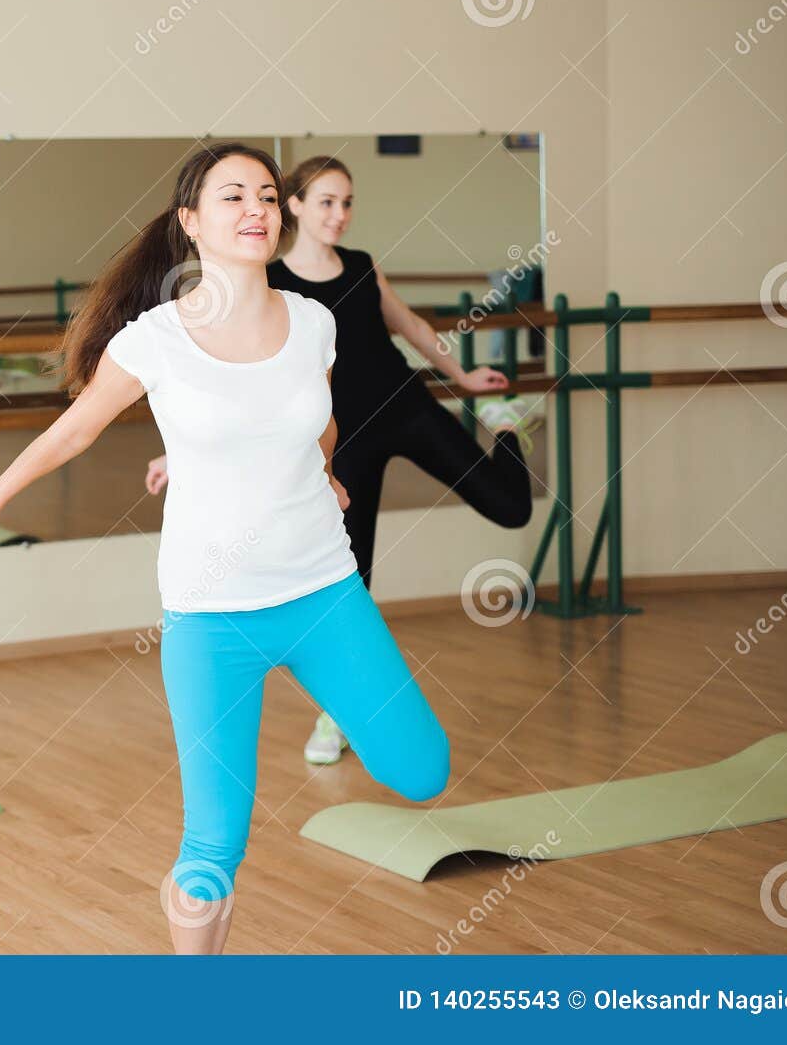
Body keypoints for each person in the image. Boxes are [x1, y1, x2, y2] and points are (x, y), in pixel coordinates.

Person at [0, 143, 448, 953]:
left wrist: (322, 470)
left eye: (266, 194)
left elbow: (315, 419)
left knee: (422, 768)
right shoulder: (154, 340)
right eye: (232, 196)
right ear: (191, 222)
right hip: (213, 615)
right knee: (212, 853)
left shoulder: (314, 322)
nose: (256, 207)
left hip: (325, 591)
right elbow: (76, 428)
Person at [145, 155, 539, 766]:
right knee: (350, 579)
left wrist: (463, 376)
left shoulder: (361, 266)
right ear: (295, 207)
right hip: (337, 438)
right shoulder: (270, 284)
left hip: (406, 408)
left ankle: (506, 425)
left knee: (512, 506)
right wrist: (178, 453)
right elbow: (228, 384)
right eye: (326, 201)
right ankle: (338, 717)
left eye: (348, 202)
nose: (340, 214)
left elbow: (408, 326)